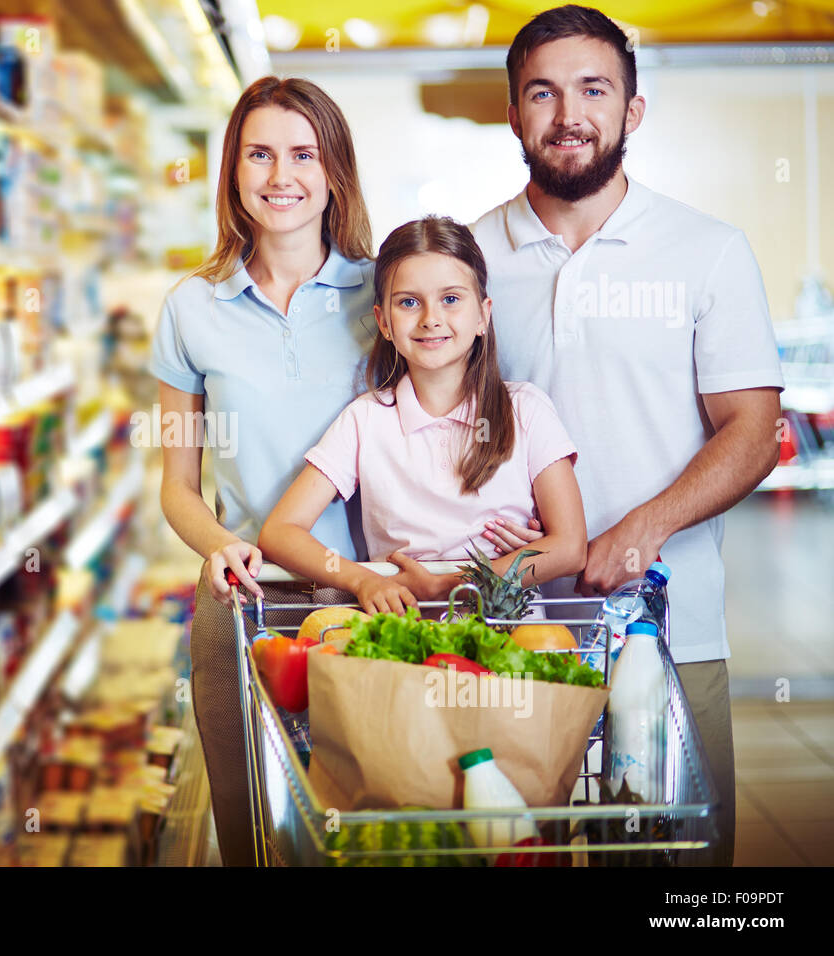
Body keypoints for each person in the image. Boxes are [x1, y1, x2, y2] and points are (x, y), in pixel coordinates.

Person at [471, 4, 784, 866]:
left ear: (632, 111)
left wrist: (637, 531)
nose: (568, 113)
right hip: (501, 634)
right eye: (542, 92)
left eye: (593, 89)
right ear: (514, 114)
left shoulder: (706, 250)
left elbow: (753, 431)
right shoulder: (465, 260)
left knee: (671, 872)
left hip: (670, 633)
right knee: (508, 854)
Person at [149, 77, 377, 866]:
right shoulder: (191, 308)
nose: (281, 176)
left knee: (368, 828)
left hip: (367, 599)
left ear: (334, 170)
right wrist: (220, 546)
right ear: (233, 170)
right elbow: (177, 484)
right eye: (260, 154)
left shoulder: (385, 295)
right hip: (241, 605)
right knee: (252, 836)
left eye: (303, 154)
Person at [260, 216, 586, 610]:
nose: (431, 318)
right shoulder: (366, 420)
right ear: (383, 322)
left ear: (483, 315)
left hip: (511, 640)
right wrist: (361, 580)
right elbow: (280, 531)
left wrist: (451, 584)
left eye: (451, 299)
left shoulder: (526, 410)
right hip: (402, 643)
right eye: (409, 302)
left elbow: (569, 548)